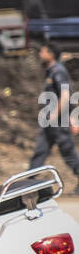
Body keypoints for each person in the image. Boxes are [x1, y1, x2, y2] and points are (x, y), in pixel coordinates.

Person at [29, 42, 79, 190]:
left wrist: (55, 116)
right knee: (40, 151)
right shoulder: (51, 71)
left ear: (51, 54)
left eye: (43, 51)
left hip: (58, 121)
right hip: (52, 122)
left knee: (68, 152)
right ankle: (28, 183)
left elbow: (65, 95)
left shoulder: (58, 71)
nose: (40, 54)